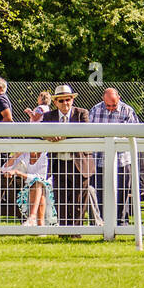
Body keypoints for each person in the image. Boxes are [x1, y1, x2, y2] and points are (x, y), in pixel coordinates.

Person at [41, 84, 94, 228]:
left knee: (78, 200)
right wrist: (47, 136)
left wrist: (62, 135)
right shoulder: (48, 116)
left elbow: (84, 132)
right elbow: (39, 132)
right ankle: (63, 231)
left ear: (72, 100)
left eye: (68, 99)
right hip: (59, 163)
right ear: (55, 102)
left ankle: (76, 232)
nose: (65, 103)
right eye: (61, 100)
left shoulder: (81, 113)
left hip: (78, 163)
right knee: (61, 199)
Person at [89, 87, 141, 225]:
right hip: (99, 159)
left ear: (119, 98)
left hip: (122, 160)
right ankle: (100, 222)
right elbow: (88, 132)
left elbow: (135, 132)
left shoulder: (127, 110)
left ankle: (121, 222)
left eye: (114, 105)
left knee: (122, 193)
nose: (111, 108)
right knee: (99, 193)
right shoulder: (95, 110)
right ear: (102, 99)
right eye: (108, 105)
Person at [2, 150, 55, 226]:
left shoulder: (45, 154)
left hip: (49, 189)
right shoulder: (25, 154)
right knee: (38, 186)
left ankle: (33, 218)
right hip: (29, 190)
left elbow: (41, 177)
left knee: (39, 184)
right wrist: (16, 154)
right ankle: (40, 226)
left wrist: (18, 172)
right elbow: (5, 169)